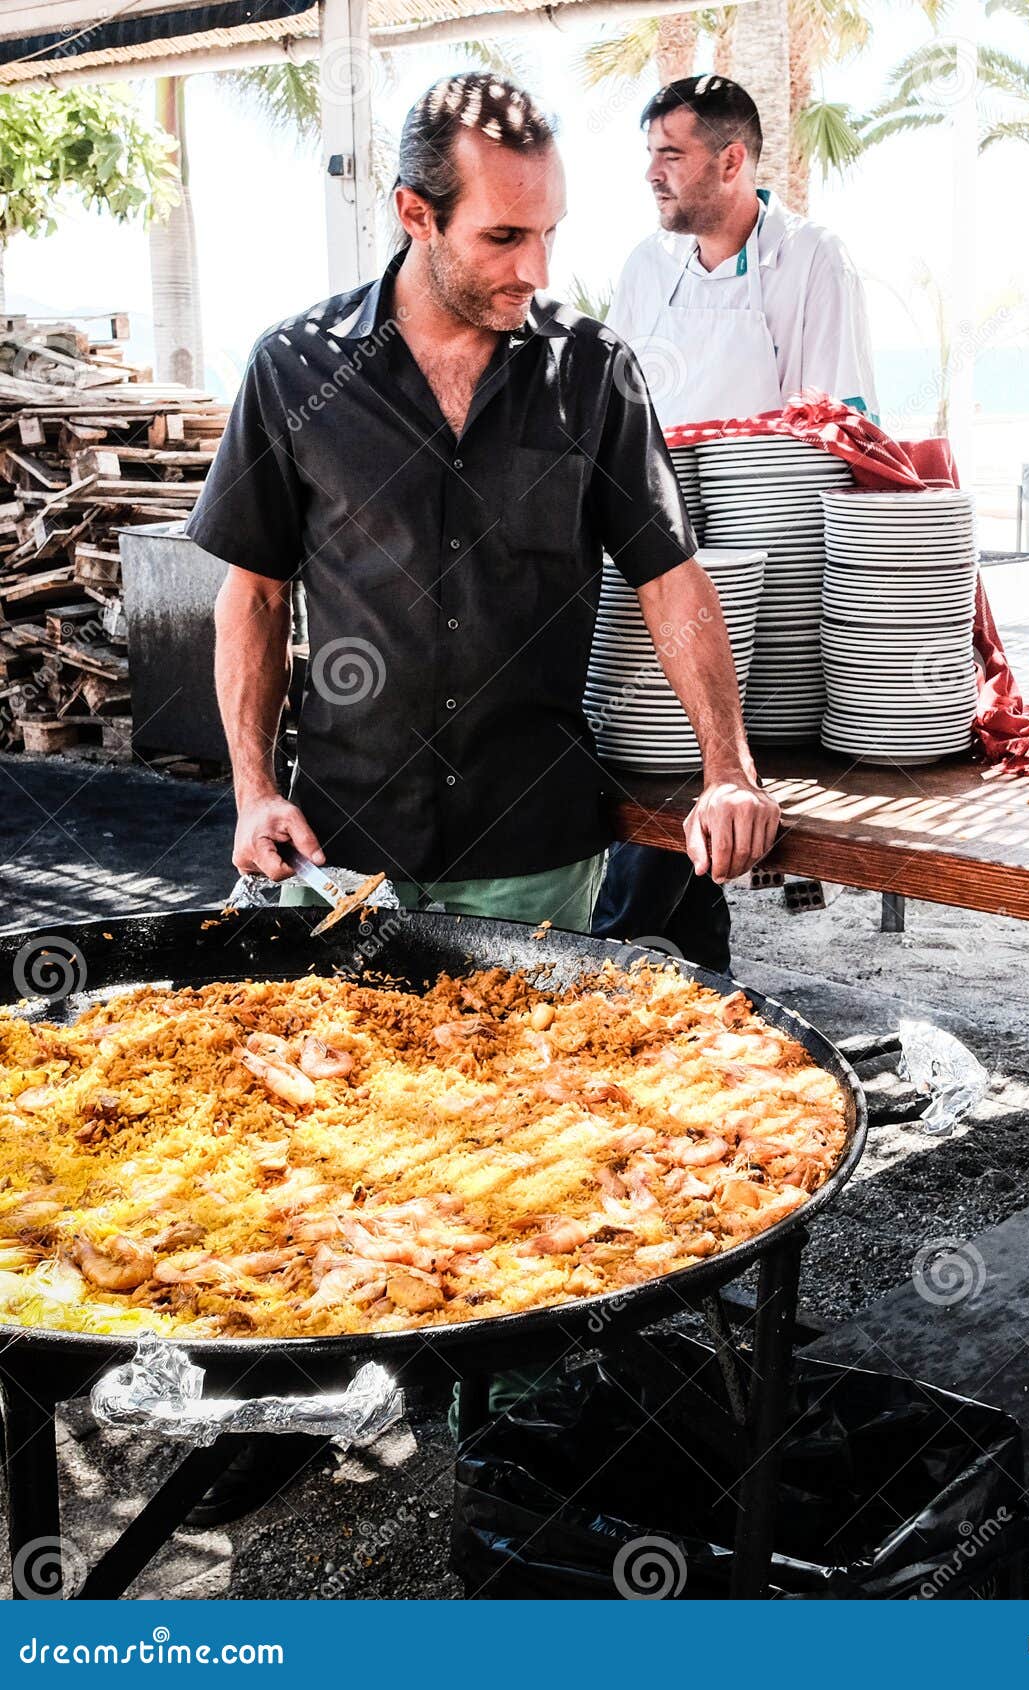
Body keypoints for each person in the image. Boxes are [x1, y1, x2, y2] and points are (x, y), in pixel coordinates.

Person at [186, 71, 779, 1522]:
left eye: (550, 236)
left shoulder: (591, 373)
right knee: (353, 1136)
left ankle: (517, 1450)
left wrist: (728, 763)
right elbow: (252, 597)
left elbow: (671, 579)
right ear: (414, 213)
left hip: (533, 845)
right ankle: (349, 1385)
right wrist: (253, 788)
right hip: (354, 847)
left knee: (529, 1153)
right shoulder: (295, 370)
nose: (536, 270)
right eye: (505, 239)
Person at [592, 74, 877, 971]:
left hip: (776, 571)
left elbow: (838, 428)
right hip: (661, 560)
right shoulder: (647, 265)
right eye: (649, 156)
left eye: (670, 156)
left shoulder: (813, 259)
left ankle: (630, 969)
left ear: (732, 158)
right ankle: (688, 978)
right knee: (661, 771)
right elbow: (617, 409)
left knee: (690, 786)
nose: (653, 175)